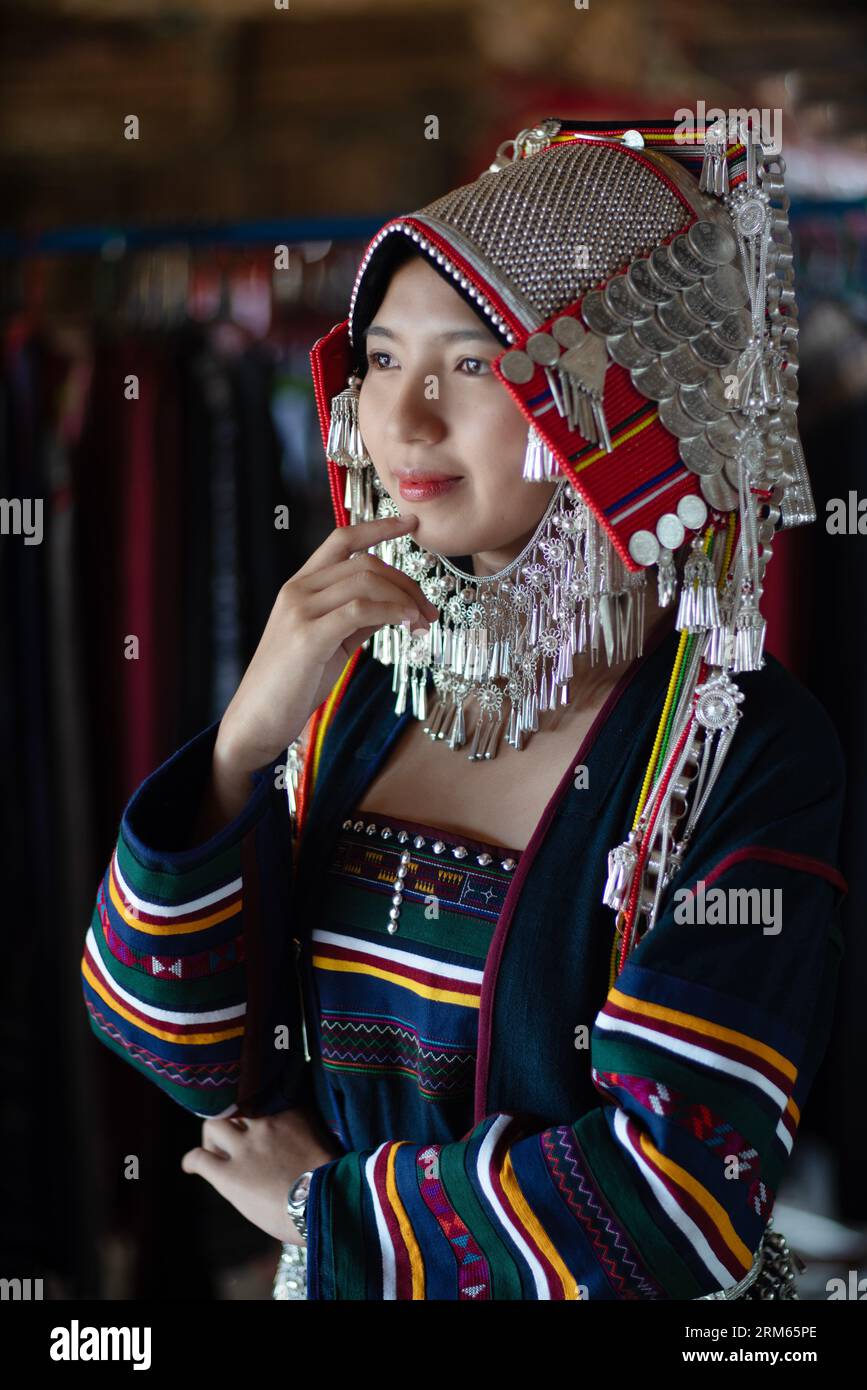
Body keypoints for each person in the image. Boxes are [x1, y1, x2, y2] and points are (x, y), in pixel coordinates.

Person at [80, 117, 847, 1301]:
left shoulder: (736, 745)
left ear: (620, 394)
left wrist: (319, 1209)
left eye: (475, 363)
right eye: (383, 359)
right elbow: (177, 1051)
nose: (404, 418)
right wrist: (240, 747)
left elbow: (675, 1197)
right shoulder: (359, 684)